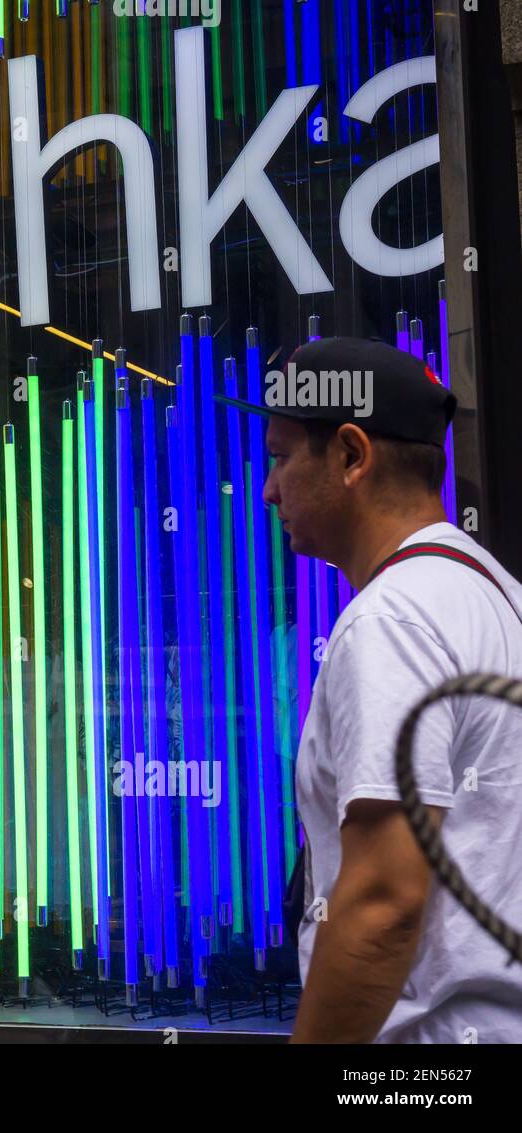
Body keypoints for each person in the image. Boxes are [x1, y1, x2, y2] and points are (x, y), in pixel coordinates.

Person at [229, 335, 522, 1042]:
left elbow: (383, 900)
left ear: (352, 455)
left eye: (281, 456)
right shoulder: (495, 593)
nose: (269, 489)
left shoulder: (392, 620)